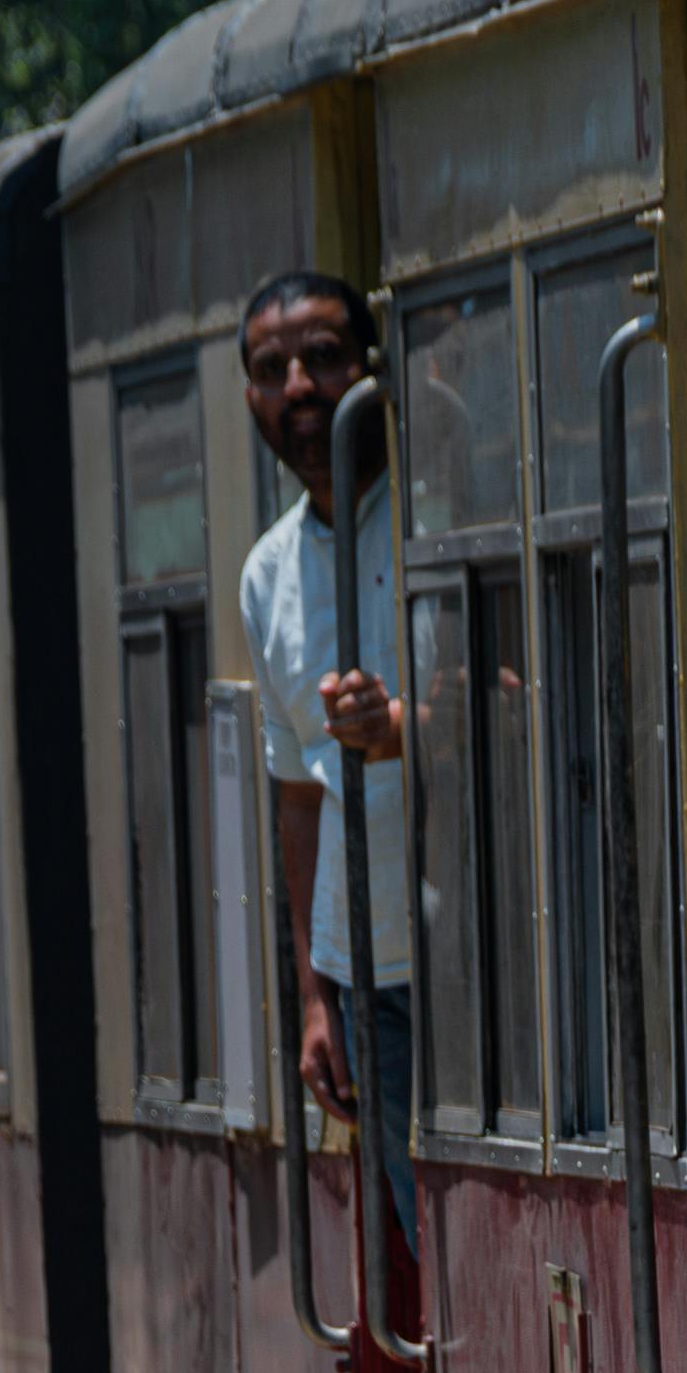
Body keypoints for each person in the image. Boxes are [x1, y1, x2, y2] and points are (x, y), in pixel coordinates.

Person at [236, 269, 417, 1246]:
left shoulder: (439, 515)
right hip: (366, 977)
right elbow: (296, 799)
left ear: (375, 370)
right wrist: (313, 995)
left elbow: (518, 706)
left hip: (494, 962)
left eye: (323, 358)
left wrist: (401, 731)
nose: (299, 387)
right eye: (271, 370)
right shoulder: (266, 579)